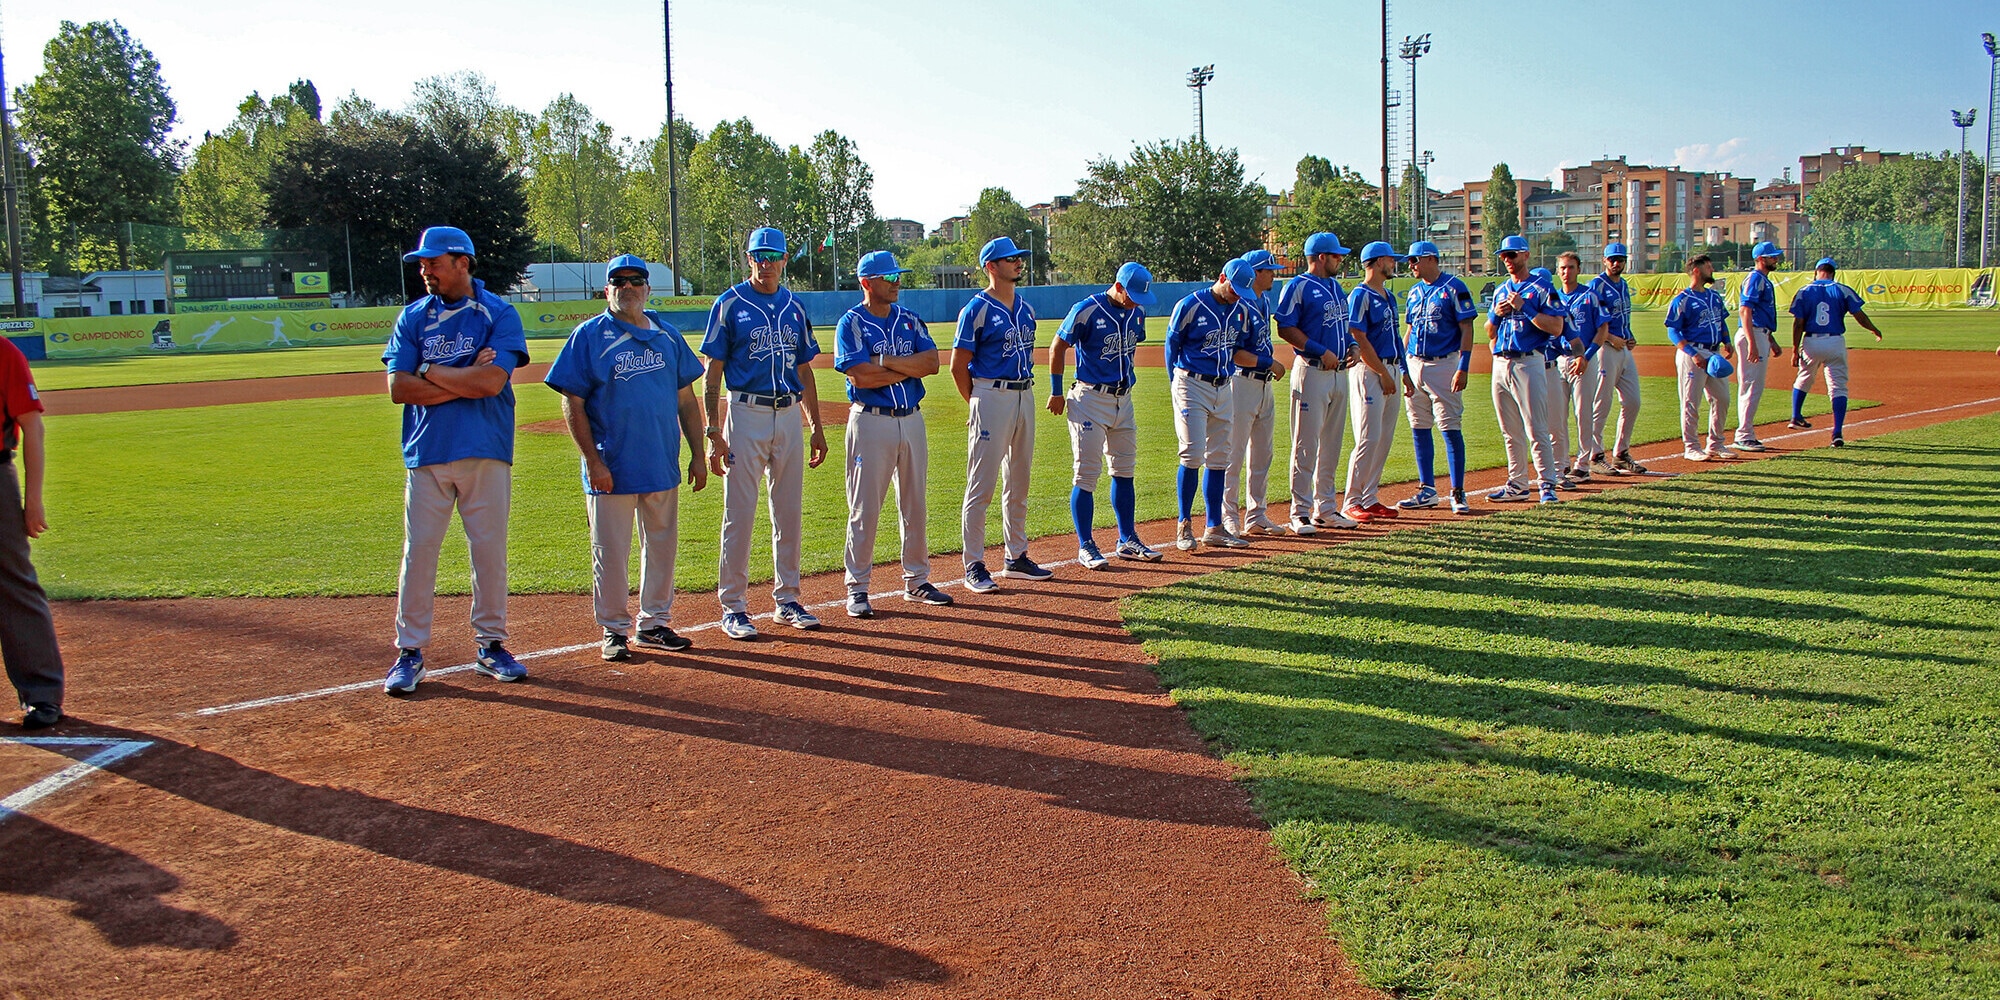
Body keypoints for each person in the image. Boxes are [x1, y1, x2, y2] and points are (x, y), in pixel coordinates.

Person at [380, 226, 531, 695]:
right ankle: (409, 652)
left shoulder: (498, 313)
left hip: (484, 448)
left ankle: (491, 645)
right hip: (426, 452)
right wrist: (458, 374)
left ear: (462, 263)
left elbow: (490, 384)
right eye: (422, 263)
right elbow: (398, 388)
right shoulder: (412, 317)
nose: (424, 270)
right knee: (419, 553)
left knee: (488, 554)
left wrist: (427, 370)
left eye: (433, 262)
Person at [543, 255, 708, 662]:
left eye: (636, 280)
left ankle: (653, 623)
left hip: (661, 462)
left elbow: (686, 401)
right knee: (610, 551)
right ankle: (614, 629)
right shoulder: (589, 336)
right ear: (607, 290)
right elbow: (573, 403)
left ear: (649, 288)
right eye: (619, 281)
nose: (628, 286)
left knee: (662, 547)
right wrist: (592, 462)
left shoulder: (667, 335)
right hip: (610, 466)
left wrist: (698, 454)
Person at [702, 227, 828, 640]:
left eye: (774, 255)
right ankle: (733, 606)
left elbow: (805, 370)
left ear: (786, 259)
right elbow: (712, 372)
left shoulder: (794, 305)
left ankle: (787, 599)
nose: (767, 262)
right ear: (749, 259)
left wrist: (815, 427)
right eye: (760, 255)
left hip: (789, 414)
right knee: (739, 514)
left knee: (788, 512)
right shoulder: (729, 303)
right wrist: (712, 430)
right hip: (746, 413)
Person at [835, 251, 953, 617]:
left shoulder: (909, 319)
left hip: (911, 419)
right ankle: (857, 588)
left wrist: (883, 362)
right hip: (870, 421)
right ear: (866, 283)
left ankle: (916, 581)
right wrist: (909, 369)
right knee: (864, 507)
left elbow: (932, 363)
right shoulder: (851, 323)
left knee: (915, 504)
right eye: (888, 277)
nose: (896, 282)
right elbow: (859, 376)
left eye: (897, 275)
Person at [1049, 261, 1162, 568]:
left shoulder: (1137, 312)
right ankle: (1085, 545)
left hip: (1123, 400)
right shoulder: (1087, 309)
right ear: (1119, 286)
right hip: (1089, 399)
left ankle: (1127, 539)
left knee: (1125, 471)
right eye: (1133, 294)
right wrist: (1056, 391)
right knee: (1086, 474)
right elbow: (1058, 346)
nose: (1137, 301)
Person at [953, 236, 1049, 592]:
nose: (1018, 262)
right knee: (981, 486)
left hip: (1025, 394)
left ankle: (1016, 556)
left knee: (1019, 482)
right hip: (991, 395)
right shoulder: (975, 309)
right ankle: (974, 564)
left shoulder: (1026, 307)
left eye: (1019, 257)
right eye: (1009, 259)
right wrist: (977, 403)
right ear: (991, 266)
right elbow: (957, 366)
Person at [1166, 258, 1258, 550]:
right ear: (1222, 278)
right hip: (1191, 383)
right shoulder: (1190, 305)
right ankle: (1184, 524)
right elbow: (1172, 345)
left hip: (1224, 385)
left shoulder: (1241, 308)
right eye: (1235, 288)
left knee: (1220, 458)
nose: (1237, 295)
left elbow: (1241, 347)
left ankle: (1214, 527)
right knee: (1192, 455)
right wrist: (1175, 384)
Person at [1274, 232, 1359, 534]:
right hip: (1311, 371)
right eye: (1336, 255)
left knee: (1332, 444)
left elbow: (1344, 328)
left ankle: (1326, 508)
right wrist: (1318, 350)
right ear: (1322, 257)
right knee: (1305, 445)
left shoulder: (1336, 287)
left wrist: (1353, 347)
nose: (1340, 259)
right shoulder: (1297, 286)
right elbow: (1285, 326)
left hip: (1339, 375)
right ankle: (1299, 512)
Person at [1, 335, 61, 728]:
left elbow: (31, 426)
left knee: (13, 583)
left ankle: (41, 694)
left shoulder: (3, 352)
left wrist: (33, 499)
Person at [1484, 235, 1568, 504]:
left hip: (1529, 361)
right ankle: (1518, 483)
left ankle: (1547, 484)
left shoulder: (1541, 288)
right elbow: (1489, 330)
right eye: (1504, 256)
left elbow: (1556, 327)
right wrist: (1497, 313)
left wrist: (1526, 307)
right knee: (1509, 430)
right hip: (1501, 362)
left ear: (1526, 255)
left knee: (1536, 427)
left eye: (1512, 255)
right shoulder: (1500, 290)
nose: (1507, 260)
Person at [1397, 240, 1478, 514]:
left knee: (1449, 425)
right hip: (1415, 362)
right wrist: (1402, 366)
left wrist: (1463, 366)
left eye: (1415, 260)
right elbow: (1409, 330)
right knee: (1419, 425)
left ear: (1431, 259)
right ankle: (1427, 489)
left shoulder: (1454, 287)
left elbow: (1467, 328)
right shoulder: (1414, 292)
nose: (1411, 265)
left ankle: (1457, 491)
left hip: (1444, 364)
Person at [1222, 250, 1290, 537]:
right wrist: (1268, 362)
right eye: (1269, 270)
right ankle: (1227, 516)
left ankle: (1257, 515)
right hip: (1242, 384)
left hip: (1264, 386)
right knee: (1233, 454)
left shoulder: (1264, 300)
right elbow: (1234, 353)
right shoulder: (1238, 303)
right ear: (1255, 273)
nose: (1274, 274)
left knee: (1263, 454)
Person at [1787, 257, 1883, 448]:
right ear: (1834, 273)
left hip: (1811, 341)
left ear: (1816, 272)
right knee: (1838, 387)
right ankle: (1837, 432)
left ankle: (1796, 415)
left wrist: (1795, 349)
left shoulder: (1804, 291)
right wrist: (1873, 329)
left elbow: (1798, 323)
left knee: (1804, 378)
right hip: (1835, 341)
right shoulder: (1842, 289)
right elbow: (1859, 315)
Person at [1342, 241, 1406, 522]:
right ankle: (1352, 500)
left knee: (1383, 439)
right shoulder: (1360, 294)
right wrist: (1381, 372)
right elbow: (1358, 336)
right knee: (1367, 438)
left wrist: (1404, 374)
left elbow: (1394, 336)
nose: (1394, 264)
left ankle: (1369, 496)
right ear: (1378, 262)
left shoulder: (1388, 296)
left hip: (1392, 369)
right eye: (1391, 260)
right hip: (1370, 372)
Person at [1663, 253, 1736, 461]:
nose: (1711, 269)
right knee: (1690, 402)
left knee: (1722, 399)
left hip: (1714, 353)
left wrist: (1727, 341)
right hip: (1692, 353)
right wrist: (1692, 354)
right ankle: (1691, 446)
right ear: (1696, 270)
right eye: (1708, 266)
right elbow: (1673, 331)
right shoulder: (1682, 300)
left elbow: (1721, 322)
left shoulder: (1714, 296)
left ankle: (1716, 444)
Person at [1586, 243, 1646, 474]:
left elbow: (1624, 318)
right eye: (1612, 259)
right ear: (1604, 260)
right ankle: (1595, 455)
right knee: (1601, 402)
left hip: (1624, 350)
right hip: (1605, 349)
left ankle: (1621, 453)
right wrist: (1610, 337)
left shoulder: (1623, 285)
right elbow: (1588, 321)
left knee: (1633, 401)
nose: (1616, 263)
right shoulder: (1597, 285)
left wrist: (1629, 338)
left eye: (1620, 259)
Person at [1527, 266, 1586, 490]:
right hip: (1526, 370)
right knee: (1527, 427)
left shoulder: (1557, 312)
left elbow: (1573, 338)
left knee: (1555, 425)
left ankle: (1560, 471)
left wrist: (1580, 355)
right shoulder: (1521, 311)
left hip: (1549, 369)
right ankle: (1520, 476)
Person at [1552, 255, 1602, 486]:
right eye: (1562, 268)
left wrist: (1587, 356)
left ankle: (1582, 465)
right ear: (1557, 270)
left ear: (1579, 269)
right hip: (1558, 360)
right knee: (1557, 416)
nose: (1566, 272)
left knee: (1582, 413)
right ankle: (1561, 463)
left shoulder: (1589, 295)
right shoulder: (1552, 298)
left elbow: (1602, 328)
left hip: (1584, 360)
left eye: (1571, 267)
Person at [1732, 241, 1787, 452]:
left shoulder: (1762, 279)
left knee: (1753, 384)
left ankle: (1746, 433)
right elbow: (1745, 311)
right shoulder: (1755, 278)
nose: (1776, 259)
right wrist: (1753, 343)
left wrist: (1771, 341)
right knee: (1751, 385)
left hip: (1758, 333)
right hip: (1751, 334)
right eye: (1772, 256)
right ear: (1760, 259)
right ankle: (1743, 435)